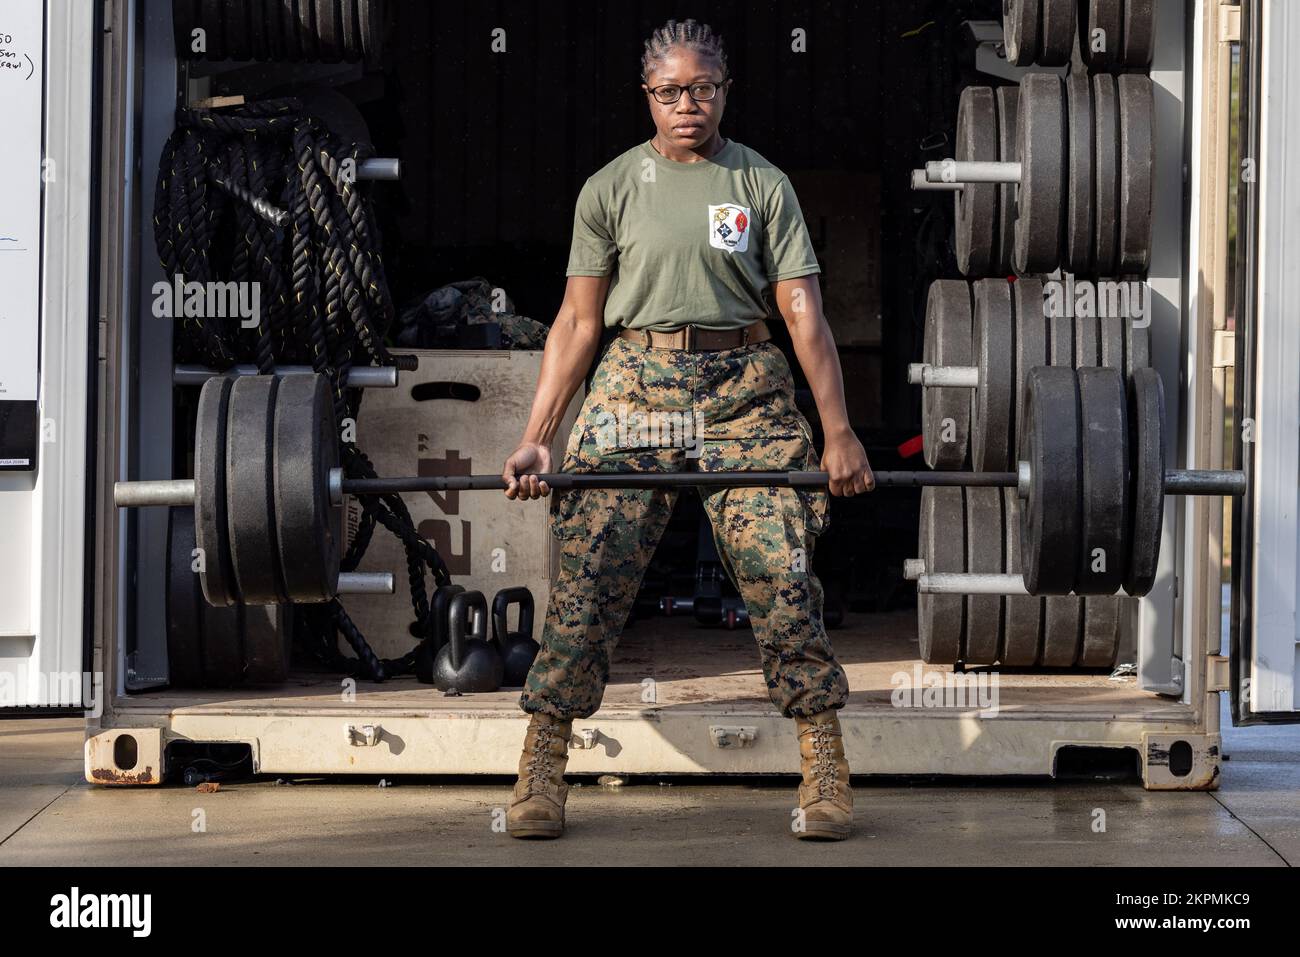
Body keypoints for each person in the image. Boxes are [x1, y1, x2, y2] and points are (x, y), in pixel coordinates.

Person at [499, 18, 874, 841]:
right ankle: (543, 765)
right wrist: (540, 435)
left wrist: (837, 430)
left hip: (745, 392)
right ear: (647, 97)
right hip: (635, 386)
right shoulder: (608, 189)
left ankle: (823, 766)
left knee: (783, 578)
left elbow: (803, 311)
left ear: (725, 89)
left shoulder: (762, 185)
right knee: (589, 579)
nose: (687, 104)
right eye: (670, 91)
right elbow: (575, 321)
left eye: (702, 88)